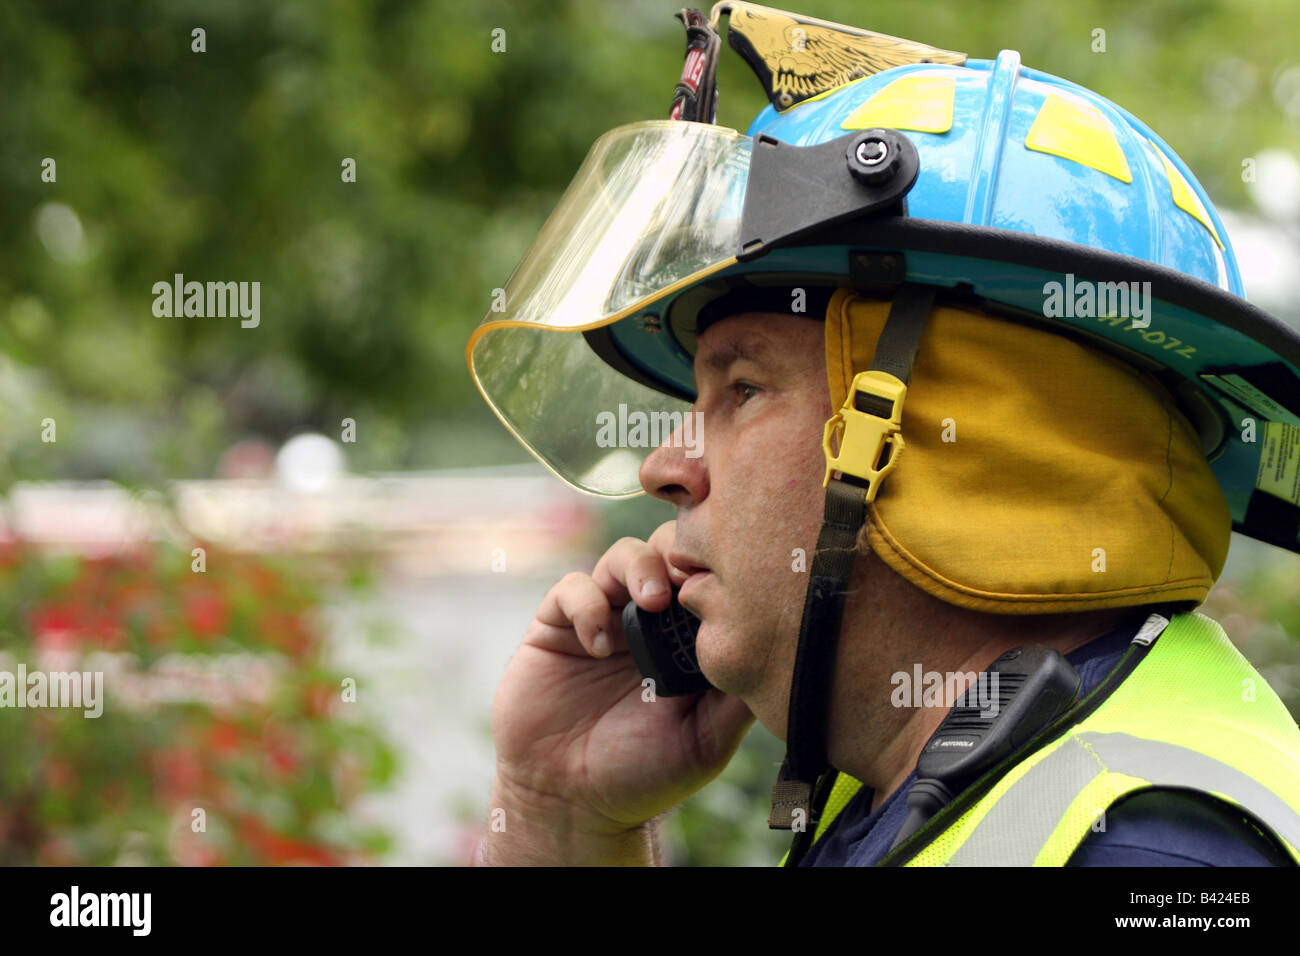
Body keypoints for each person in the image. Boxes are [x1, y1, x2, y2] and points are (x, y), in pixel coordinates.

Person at [466, 2, 1300, 866]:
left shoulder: (1146, 850)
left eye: (743, 390)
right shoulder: (950, 782)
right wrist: (559, 814)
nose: (665, 467)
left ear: (970, 435)